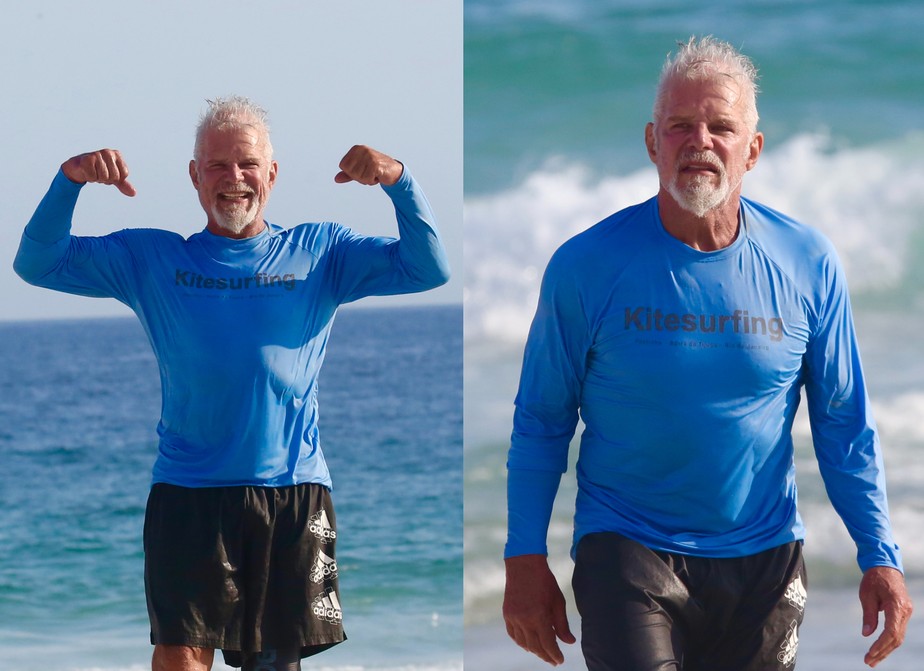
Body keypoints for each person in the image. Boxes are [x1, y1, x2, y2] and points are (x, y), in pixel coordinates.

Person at [502, 36, 912, 671]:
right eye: (679, 126)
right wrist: (524, 558)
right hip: (626, 548)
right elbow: (542, 421)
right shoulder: (585, 267)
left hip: (766, 560)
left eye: (721, 126)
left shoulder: (807, 263)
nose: (700, 141)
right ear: (651, 142)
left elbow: (843, 424)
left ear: (752, 149)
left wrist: (879, 554)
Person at [13, 96, 450, 671]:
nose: (233, 179)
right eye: (217, 165)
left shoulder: (322, 251)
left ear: (272, 173)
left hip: (292, 491)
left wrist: (398, 181)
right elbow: (37, 264)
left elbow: (428, 267)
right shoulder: (150, 257)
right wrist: (69, 181)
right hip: (189, 491)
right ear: (194, 176)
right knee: (179, 654)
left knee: (273, 665)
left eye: (247, 164)